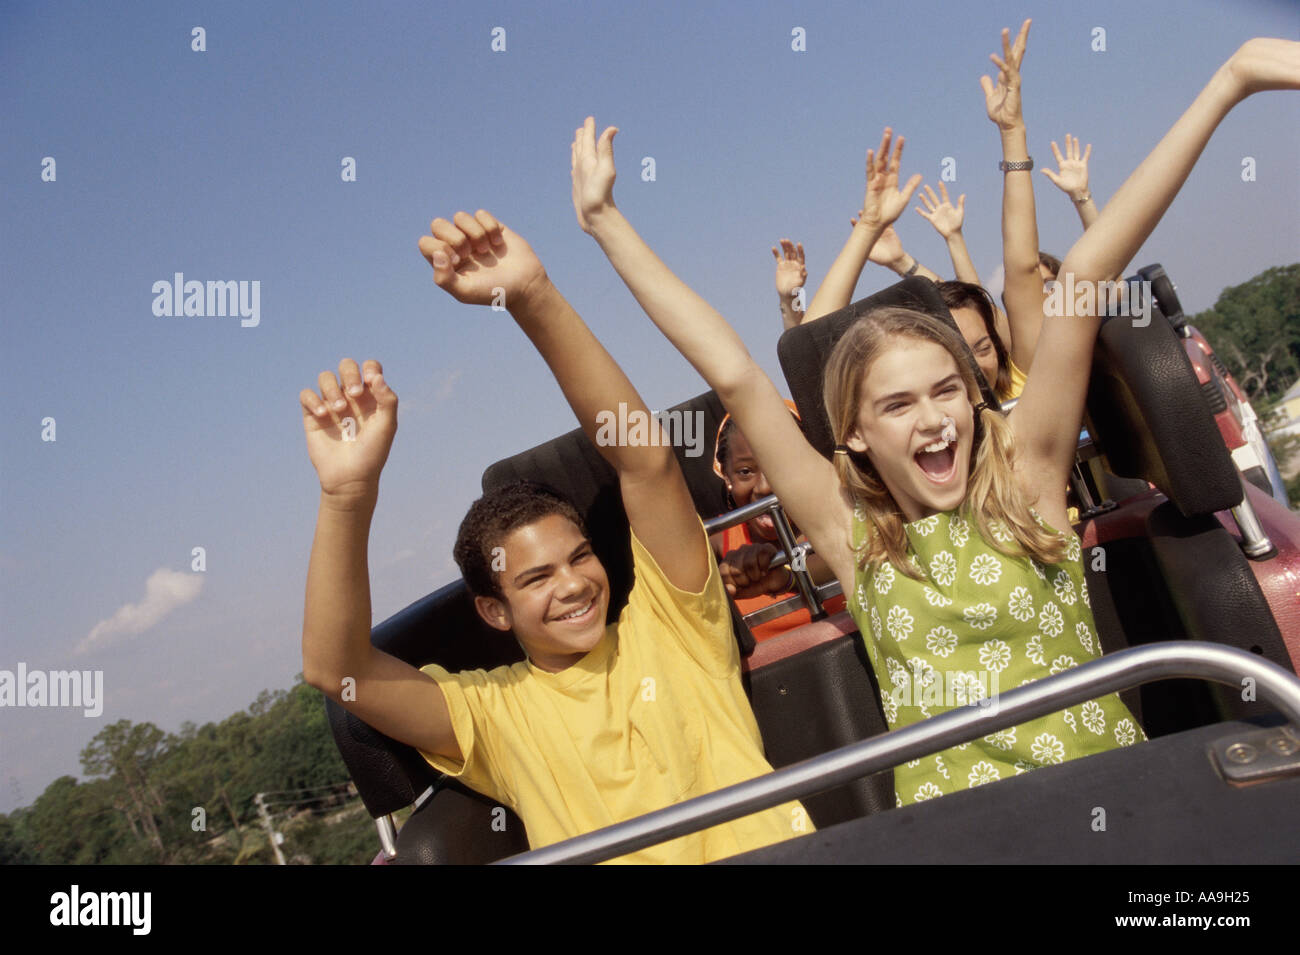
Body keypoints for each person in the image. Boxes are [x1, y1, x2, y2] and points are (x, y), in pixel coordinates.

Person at [566, 33, 1299, 804]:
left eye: (947, 390)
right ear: (853, 431)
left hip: (1109, 800)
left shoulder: (1030, 480)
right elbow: (734, 373)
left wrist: (1231, 82)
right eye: (897, 403)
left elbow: (1080, 273)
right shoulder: (854, 536)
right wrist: (607, 223)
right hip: (959, 835)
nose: (935, 419)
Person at [299, 210, 809, 862]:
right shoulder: (497, 715)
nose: (571, 584)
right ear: (493, 609)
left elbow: (644, 460)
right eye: (536, 578)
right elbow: (334, 668)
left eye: (578, 557)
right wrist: (347, 494)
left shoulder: (674, 620)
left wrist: (533, 295)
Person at [712, 404, 846, 640]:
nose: (765, 486)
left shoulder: (840, 512)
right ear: (727, 477)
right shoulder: (713, 542)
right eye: (745, 471)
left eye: (780, 464)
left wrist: (785, 574)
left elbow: (848, 555)